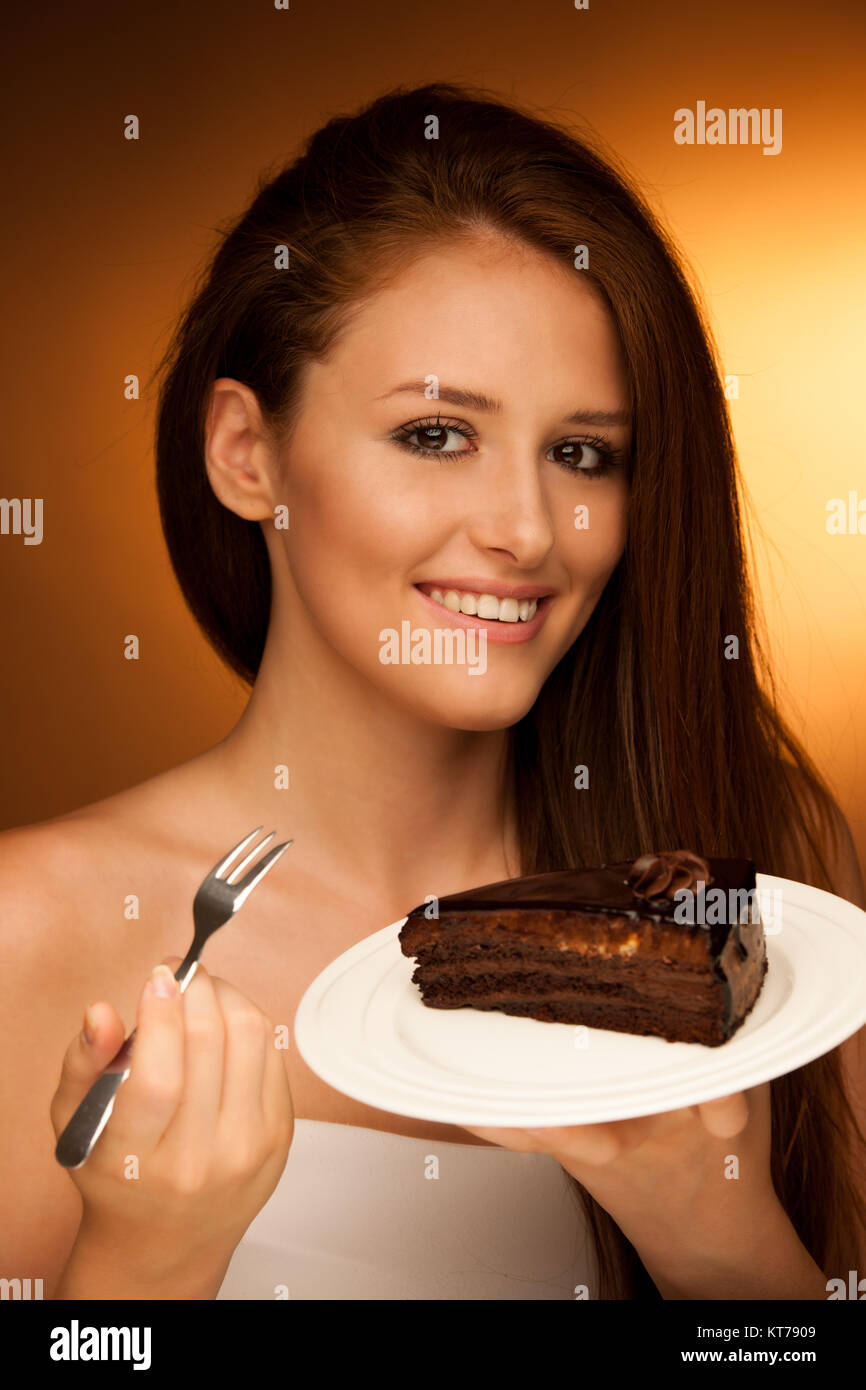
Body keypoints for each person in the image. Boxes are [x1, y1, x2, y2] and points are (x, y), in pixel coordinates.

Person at [1, 80, 863, 1301]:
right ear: (249, 454)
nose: (524, 529)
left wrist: (720, 1248)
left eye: (582, 454)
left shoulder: (767, 868)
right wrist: (144, 1263)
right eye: (434, 434)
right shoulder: (23, 936)